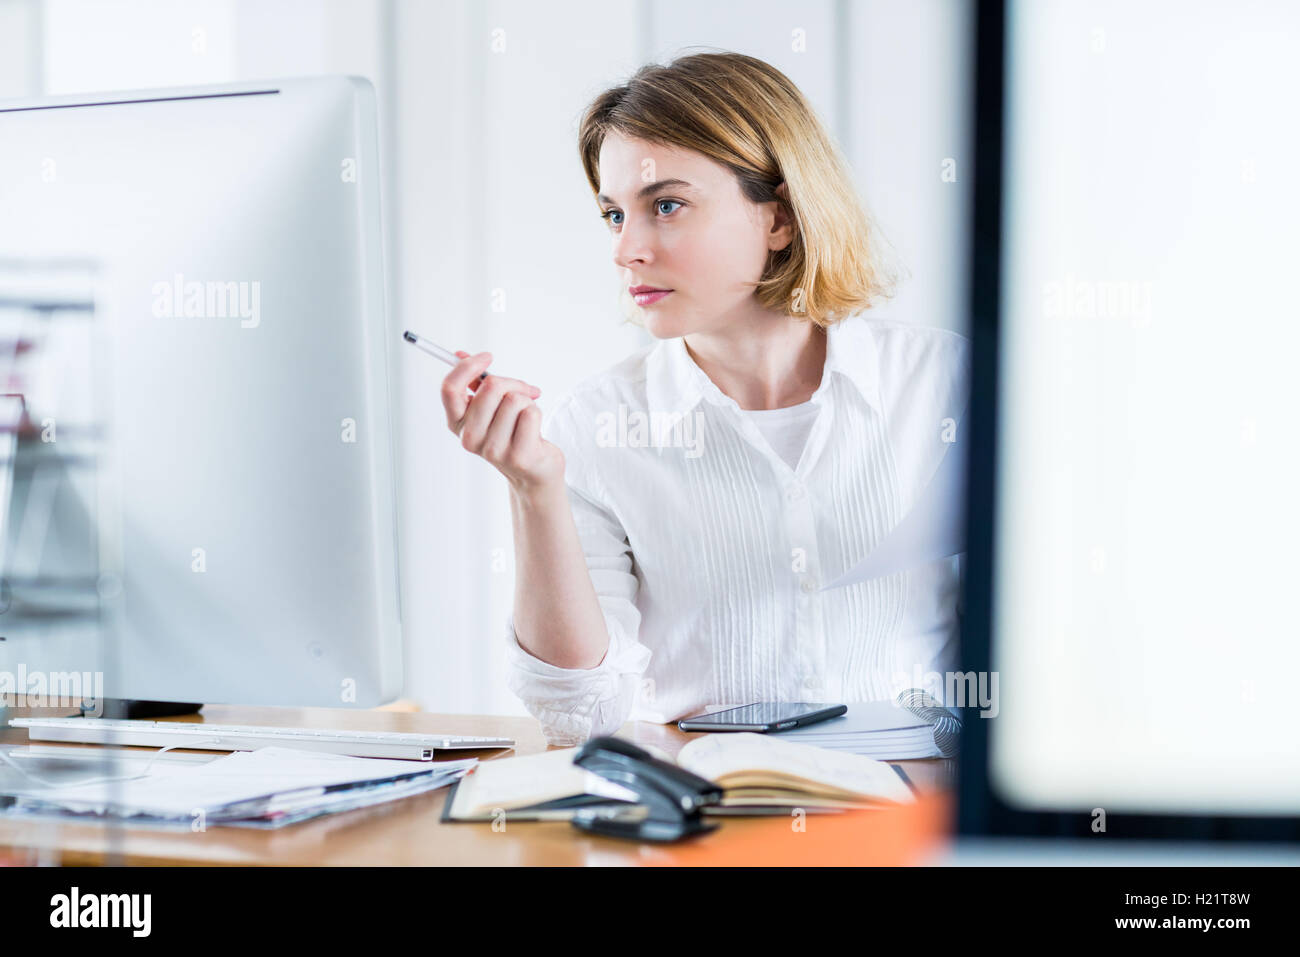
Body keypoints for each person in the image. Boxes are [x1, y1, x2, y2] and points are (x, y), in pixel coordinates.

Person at [440, 52, 969, 746]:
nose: (626, 249)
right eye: (612, 214)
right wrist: (533, 489)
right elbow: (579, 714)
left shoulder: (945, 384)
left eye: (666, 205)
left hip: (913, 814)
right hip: (704, 819)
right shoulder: (595, 427)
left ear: (778, 218)